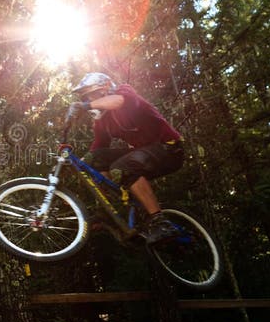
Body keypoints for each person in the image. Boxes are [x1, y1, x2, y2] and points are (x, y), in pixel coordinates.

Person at [65, 72, 184, 244]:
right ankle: (107, 209)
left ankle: (160, 221)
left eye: (91, 94)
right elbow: (99, 148)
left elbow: (118, 101)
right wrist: (78, 165)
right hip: (145, 153)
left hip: (170, 148)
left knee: (123, 167)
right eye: (86, 96)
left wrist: (84, 105)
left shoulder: (124, 92)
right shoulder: (102, 122)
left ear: (104, 89)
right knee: (94, 159)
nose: (88, 99)